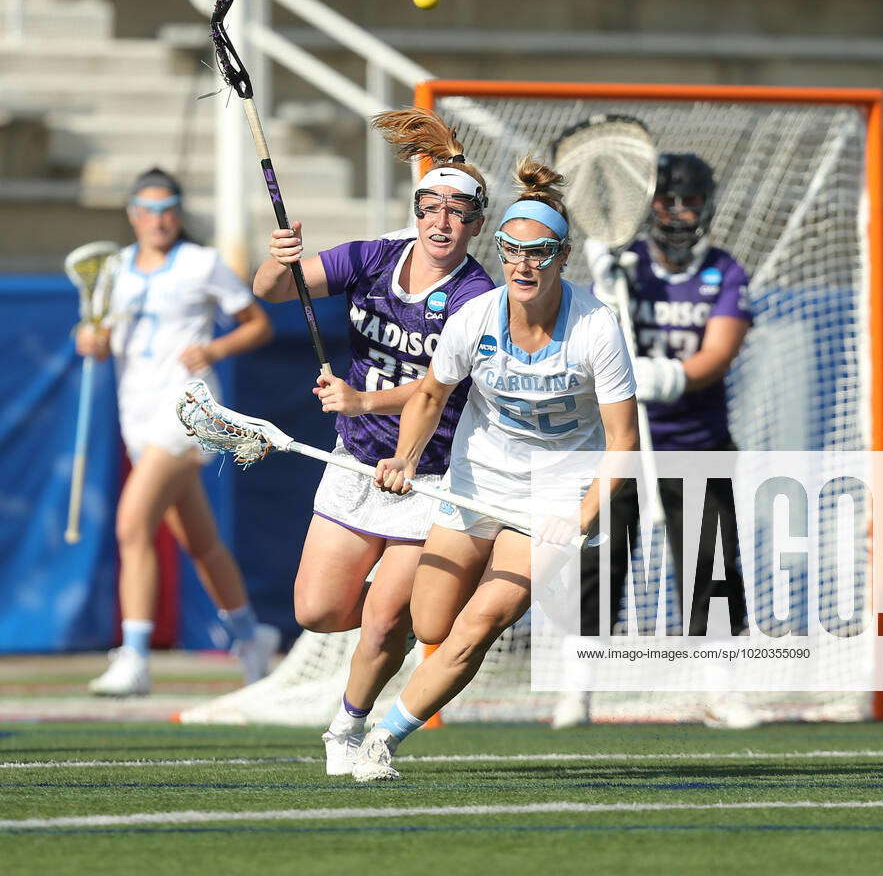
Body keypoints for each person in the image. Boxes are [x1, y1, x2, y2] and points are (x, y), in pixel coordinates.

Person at [352, 155, 640, 781]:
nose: (523, 265)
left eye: (539, 253)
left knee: (483, 620)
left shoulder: (597, 327)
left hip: (554, 494)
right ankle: (363, 702)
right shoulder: (477, 316)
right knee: (431, 622)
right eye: (512, 252)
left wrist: (582, 516)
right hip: (476, 479)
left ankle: (381, 740)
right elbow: (431, 395)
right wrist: (404, 457)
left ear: (563, 257)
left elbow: (624, 442)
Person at [252, 108, 495, 776]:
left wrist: (360, 399)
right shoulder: (373, 256)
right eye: (431, 208)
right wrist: (279, 261)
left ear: (476, 224)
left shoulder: (477, 296)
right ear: (415, 212)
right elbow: (272, 292)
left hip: (428, 473)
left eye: (457, 213)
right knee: (319, 611)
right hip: (357, 460)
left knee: (385, 617)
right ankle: (407, 622)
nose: (442, 223)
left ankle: (348, 726)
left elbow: (437, 388)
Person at [551, 151, 754, 729]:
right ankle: (577, 689)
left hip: (696, 442)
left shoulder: (725, 271)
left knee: (710, 561)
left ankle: (720, 690)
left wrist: (665, 377)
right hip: (619, 443)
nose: (679, 211)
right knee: (599, 560)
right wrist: (599, 287)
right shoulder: (624, 267)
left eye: (691, 201)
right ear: (650, 204)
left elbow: (717, 354)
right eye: (668, 200)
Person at [76, 167, 278, 697]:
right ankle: (250, 637)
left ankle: (135, 656)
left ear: (178, 213)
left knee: (132, 524)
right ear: (132, 214)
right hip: (137, 416)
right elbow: (98, 335)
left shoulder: (201, 262)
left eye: (168, 210)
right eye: (148, 210)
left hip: (189, 412)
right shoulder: (115, 269)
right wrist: (90, 340)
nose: (159, 220)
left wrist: (213, 349)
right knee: (201, 541)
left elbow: (258, 324)